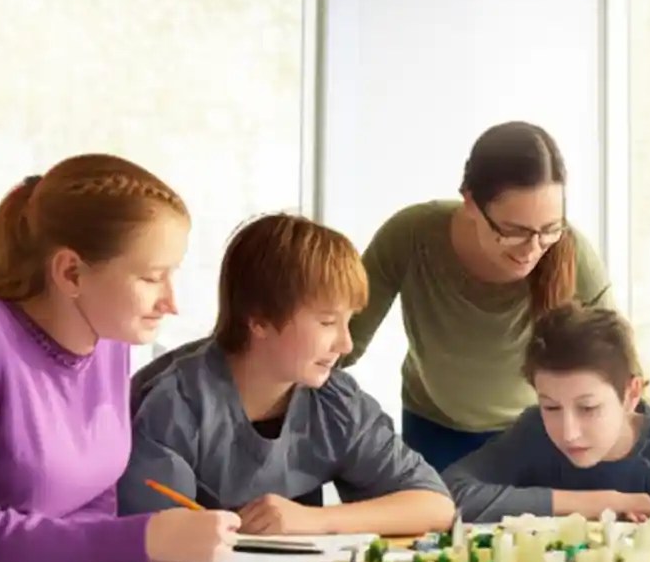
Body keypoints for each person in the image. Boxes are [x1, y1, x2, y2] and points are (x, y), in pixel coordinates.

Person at [0, 154, 237, 562]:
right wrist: (142, 539)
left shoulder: (111, 341)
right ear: (72, 272)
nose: (171, 302)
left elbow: (91, 509)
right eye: (152, 277)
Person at [118, 214, 455, 536]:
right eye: (326, 322)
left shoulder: (336, 403)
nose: (345, 343)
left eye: (348, 321)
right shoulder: (176, 402)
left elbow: (435, 505)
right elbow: (153, 533)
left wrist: (313, 520)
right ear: (259, 320)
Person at [341, 121, 615, 471]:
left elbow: (619, 369)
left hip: (536, 435)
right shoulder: (411, 236)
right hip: (433, 429)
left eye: (549, 229)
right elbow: (342, 339)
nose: (533, 249)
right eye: (514, 231)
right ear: (470, 202)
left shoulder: (574, 254)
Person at [442, 303, 650, 522]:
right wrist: (603, 503)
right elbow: (449, 492)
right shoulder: (534, 432)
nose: (569, 433)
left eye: (588, 408)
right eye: (551, 407)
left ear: (631, 394)